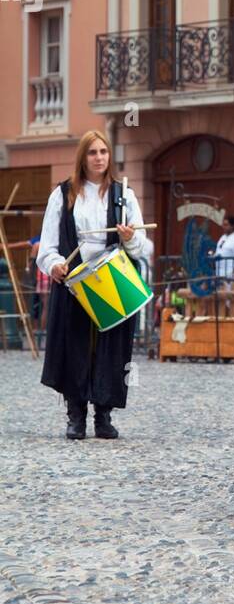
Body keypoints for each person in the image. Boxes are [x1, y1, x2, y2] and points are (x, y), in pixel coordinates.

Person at [36, 130, 147, 440]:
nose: (99, 157)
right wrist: (55, 263)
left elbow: (142, 248)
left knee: (110, 350)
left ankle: (104, 416)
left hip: (112, 284)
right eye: (92, 152)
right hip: (74, 284)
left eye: (103, 152)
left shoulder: (124, 195)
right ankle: (76, 416)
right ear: (82, 157)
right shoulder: (63, 194)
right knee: (74, 348)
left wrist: (130, 237)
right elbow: (48, 246)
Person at [213, 215, 234, 281]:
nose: (223, 227)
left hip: (230, 275)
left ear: (232, 226)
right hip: (219, 274)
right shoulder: (222, 237)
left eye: (226, 225)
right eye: (223, 225)